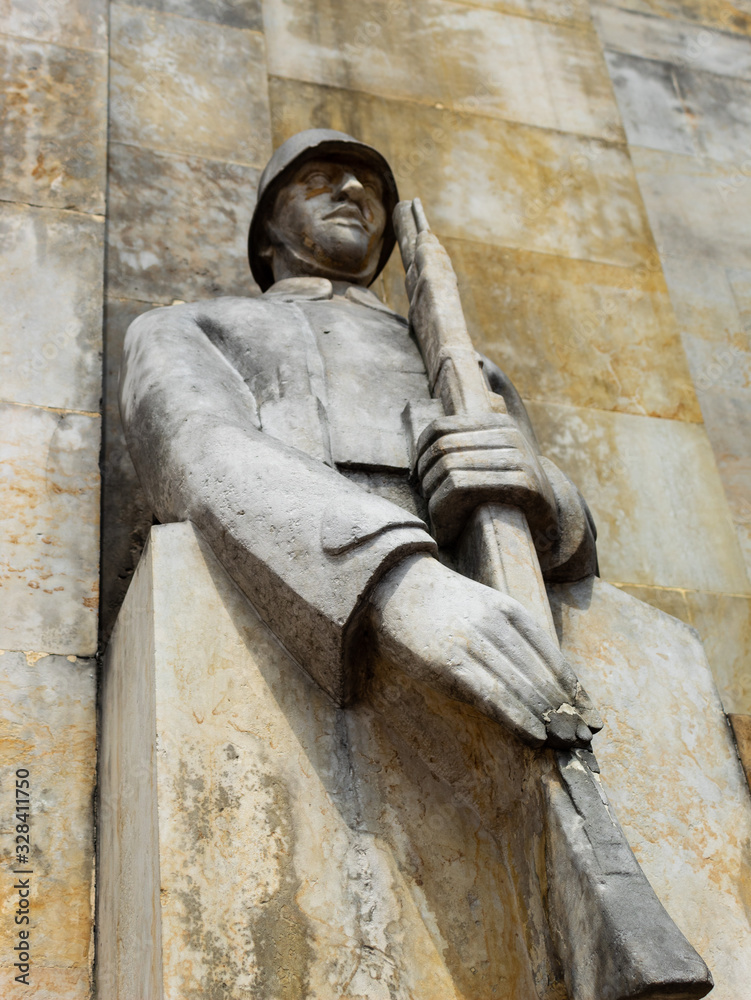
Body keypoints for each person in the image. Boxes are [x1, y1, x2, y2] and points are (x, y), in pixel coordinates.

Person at [120, 128, 601, 750]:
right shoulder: (188, 326)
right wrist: (398, 585)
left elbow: (569, 548)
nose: (351, 190)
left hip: (504, 631)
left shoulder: (466, 363)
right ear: (267, 231)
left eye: (369, 186)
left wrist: (546, 493)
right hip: (319, 613)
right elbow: (201, 451)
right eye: (318, 180)